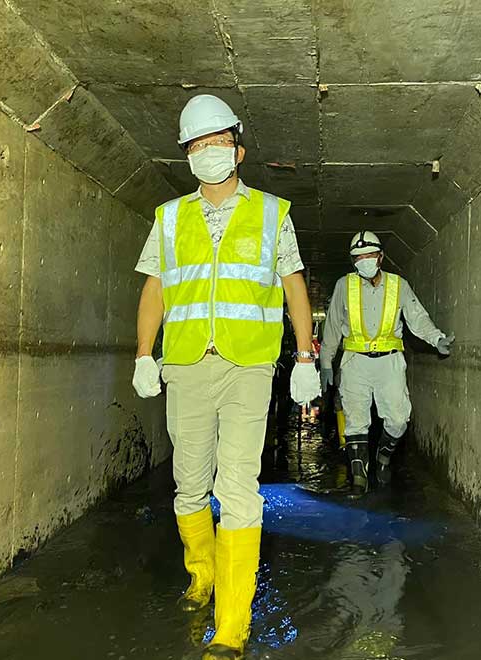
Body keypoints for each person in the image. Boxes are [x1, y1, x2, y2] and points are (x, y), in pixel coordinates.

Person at [131, 94, 321, 659]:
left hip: (247, 366)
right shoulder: (168, 218)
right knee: (189, 484)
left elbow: (293, 287)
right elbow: (154, 288)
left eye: (217, 143)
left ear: (237, 150)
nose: (208, 153)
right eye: (197, 145)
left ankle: (231, 625)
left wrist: (306, 357)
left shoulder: (271, 213)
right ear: (187, 155)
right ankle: (202, 575)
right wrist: (145, 353)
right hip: (186, 364)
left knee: (238, 490)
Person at [319, 231, 453, 494]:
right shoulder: (343, 286)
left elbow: (417, 317)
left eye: (369, 256)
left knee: (399, 419)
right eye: (358, 258)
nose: (364, 261)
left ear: (380, 257)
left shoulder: (398, 286)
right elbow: (333, 326)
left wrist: (436, 338)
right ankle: (359, 479)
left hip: (389, 363)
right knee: (356, 420)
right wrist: (326, 362)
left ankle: (383, 457)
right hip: (355, 362)